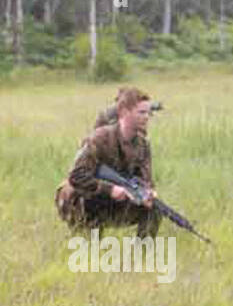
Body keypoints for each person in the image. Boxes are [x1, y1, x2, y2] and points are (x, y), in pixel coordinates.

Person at [56, 86, 161, 238]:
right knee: (78, 197)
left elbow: (146, 179)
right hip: (85, 197)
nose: (147, 117)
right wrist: (110, 190)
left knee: (154, 209)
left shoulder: (142, 145)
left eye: (148, 113)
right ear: (124, 112)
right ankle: (87, 242)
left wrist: (147, 192)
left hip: (115, 198)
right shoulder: (100, 138)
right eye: (142, 112)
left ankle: (141, 257)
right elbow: (77, 176)